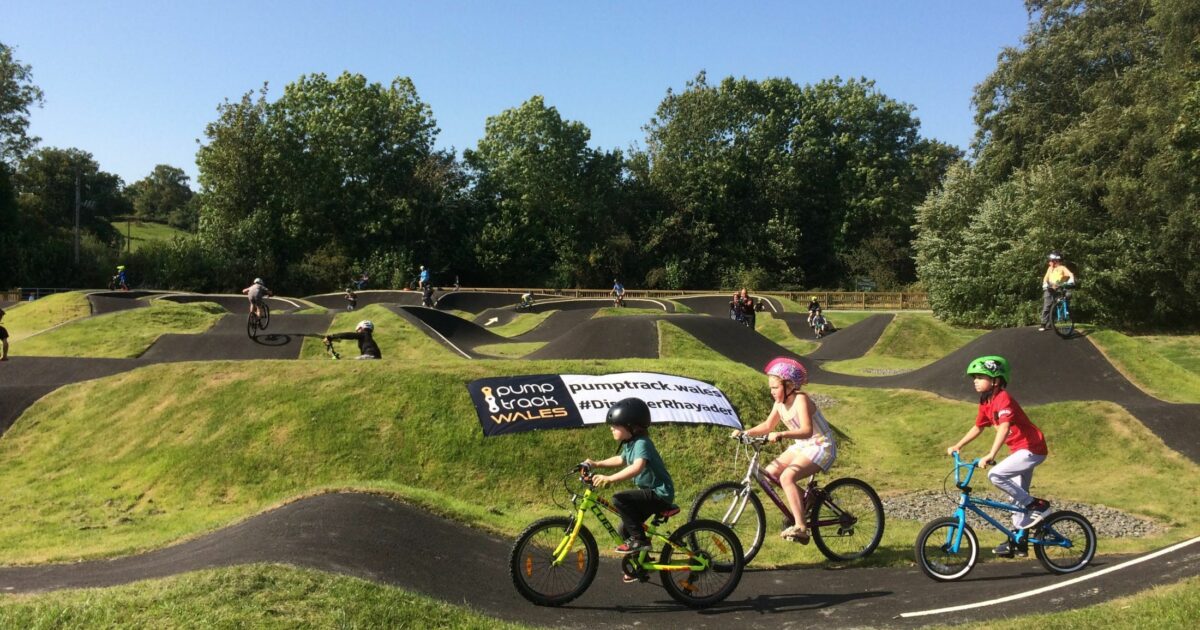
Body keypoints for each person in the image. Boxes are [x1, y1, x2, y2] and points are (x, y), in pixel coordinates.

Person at [946, 355, 1051, 557]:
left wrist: (991, 454)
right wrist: (958, 445)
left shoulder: (1003, 398)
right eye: (974, 377)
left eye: (980, 376)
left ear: (996, 380)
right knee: (1016, 497)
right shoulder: (986, 402)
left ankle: (1038, 506)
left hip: (1032, 448)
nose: (974, 380)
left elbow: (1004, 426)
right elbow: (978, 426)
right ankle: (1019, 542)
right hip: (1020, 451)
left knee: (995, 475)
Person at [734, 357, 836, 543]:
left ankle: (801, 527)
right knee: (770, 473)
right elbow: (767, 425)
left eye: (775, 387)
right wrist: (744, 433)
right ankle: (808, 500)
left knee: (787, 477)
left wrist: (782, 434)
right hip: (803, 446)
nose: (771, 391)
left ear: (788, 386)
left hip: (821, 445)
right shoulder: (779, 404)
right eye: (771, 388)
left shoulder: (801, 400)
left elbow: (807, 431)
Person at [583, 397, 675, 583]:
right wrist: (596, 463)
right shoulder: (631, 444)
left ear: (632, 426)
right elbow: (621, 460)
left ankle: (641, 542)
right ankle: (642, 564)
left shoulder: (642, 443)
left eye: (616, 425)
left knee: (620, 499)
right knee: (625, 528)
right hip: (651, 494)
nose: (611, 428)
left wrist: (610, 478)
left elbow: (637, 467)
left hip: (659, 493)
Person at [1040, 252, 1076, 332]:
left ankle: (1052, 322)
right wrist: (1045, 284)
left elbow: (1071, 274)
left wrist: (1071, 281)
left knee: (1062, 300)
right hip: (1049, 288)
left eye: (1051, 260)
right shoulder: (1049, 268)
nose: (1049, 262)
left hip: (1059, 288)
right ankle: (1043, 323)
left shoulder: (1062, 268)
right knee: (1047, 306)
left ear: (1056, 261)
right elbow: (1045, 278)